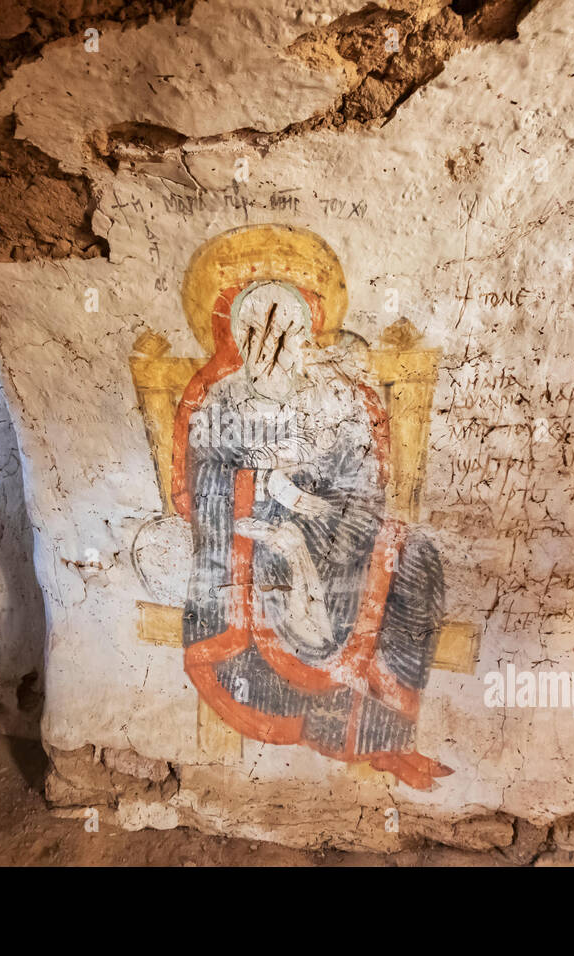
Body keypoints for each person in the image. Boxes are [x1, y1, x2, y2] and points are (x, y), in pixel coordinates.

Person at [173, 269, 450, 789]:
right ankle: (332, 729)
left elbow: (365, 484)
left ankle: (386, 736)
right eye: (255, 333)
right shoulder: (222, 403)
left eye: (284, 332)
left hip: (338, 532)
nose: (270, 346)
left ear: (306, 336)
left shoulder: (341, 398)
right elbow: (204, 490)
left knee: (416, 558)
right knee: (285, 570)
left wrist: (314, 510)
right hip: (255, 539)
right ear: (237, 338)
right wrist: (255, 480)